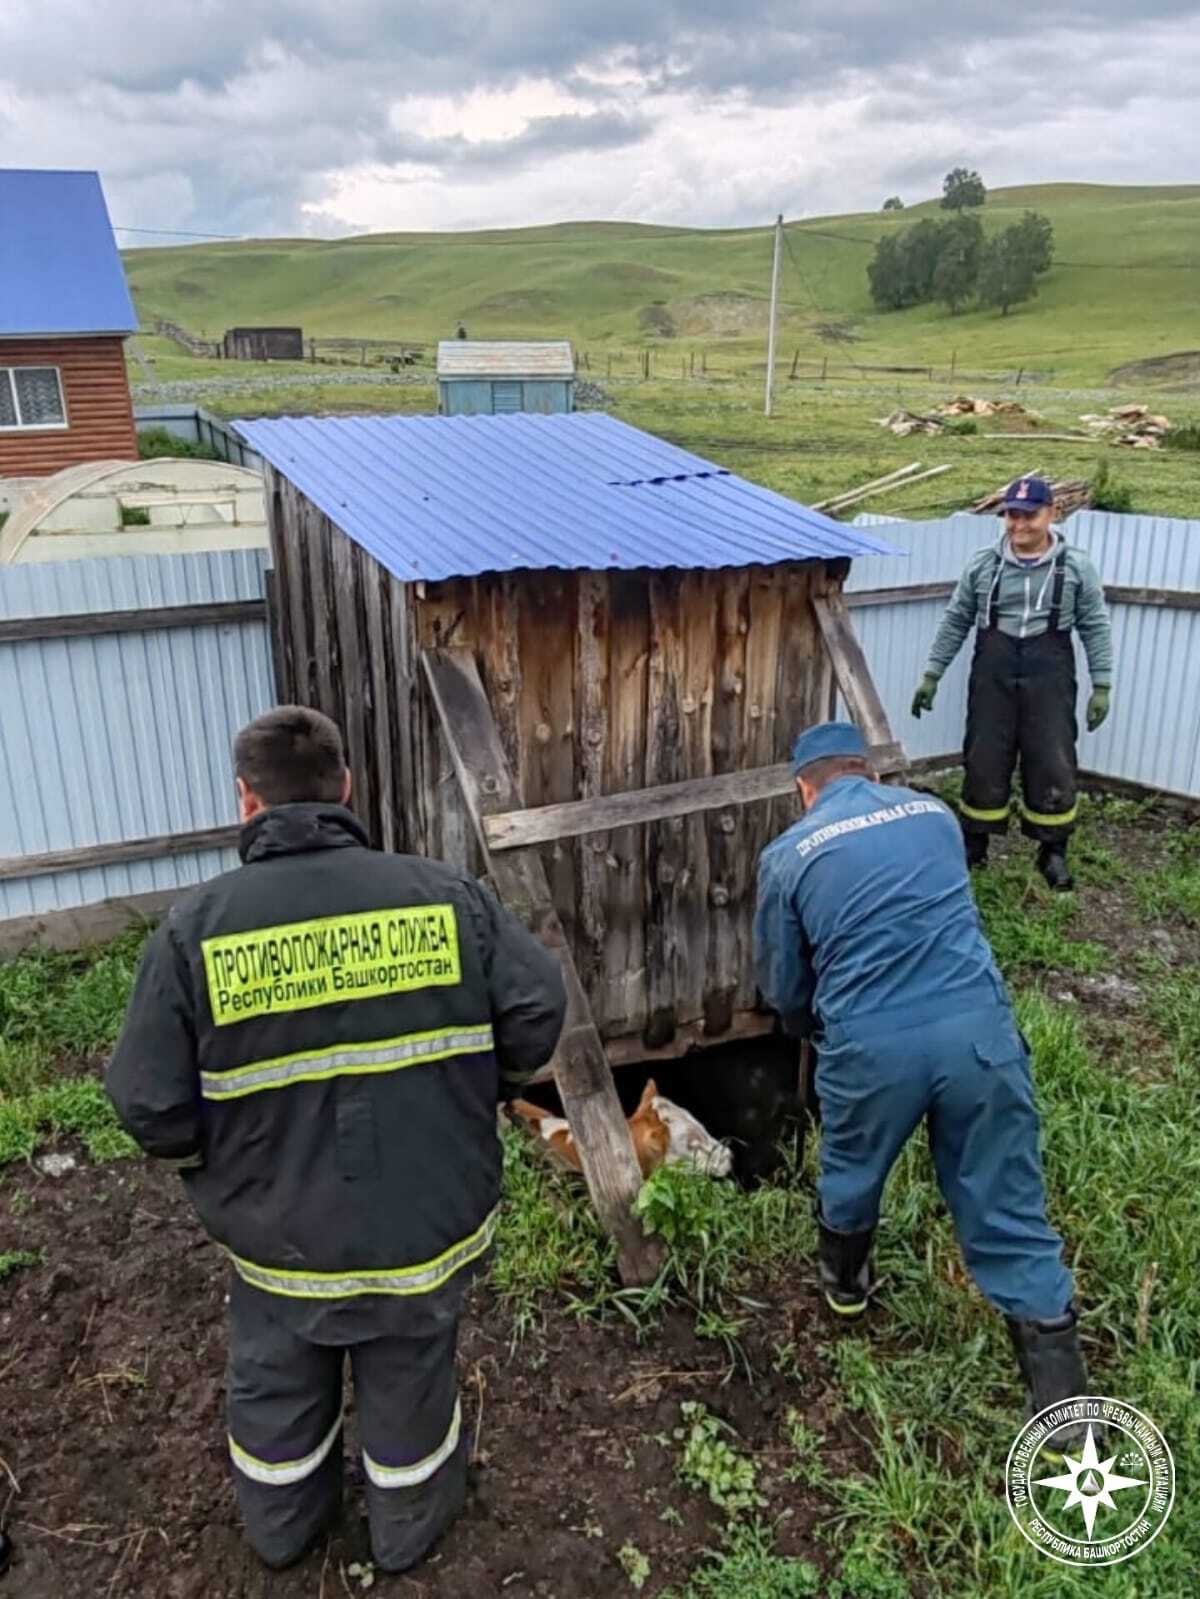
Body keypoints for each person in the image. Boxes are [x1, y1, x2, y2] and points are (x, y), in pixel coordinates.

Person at [106, 706, 567, 1573]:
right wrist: (483, 1092)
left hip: (278, 1239)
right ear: (347, 787)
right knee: (411, 1372)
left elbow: (146, 1100)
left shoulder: (194, 931)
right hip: (424, 1225)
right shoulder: (446, 897)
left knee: (276, 1376)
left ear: (246, 801)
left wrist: (213, 1166)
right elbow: (540, 1006)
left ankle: (283, 1530)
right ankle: (407, 1535)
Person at [754, 721, 1088, 1438]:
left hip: (874, 1047)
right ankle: (1065, 1415)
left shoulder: (788, 855)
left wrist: (800, 1023)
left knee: (851, 1168)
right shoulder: (934, 815)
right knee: (1007, 1200)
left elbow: (784, 986)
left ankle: (847, 1290)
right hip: (979, 1031)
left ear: (803, 788)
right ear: (869, 773)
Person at [910, 475, 1112, 890]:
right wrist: (932, 674)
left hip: (1050, 673)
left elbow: (1095, 625)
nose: (1019, 525)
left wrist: (1103, 684)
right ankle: (976, 843)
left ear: (1053, 514)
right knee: (985, 755)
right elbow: (956, 619)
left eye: (1029, 516)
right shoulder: (984, 564)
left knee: (1051, 759)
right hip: (993, 672)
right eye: (1011, 516)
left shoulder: (1076, 567)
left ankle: (1052, 851)